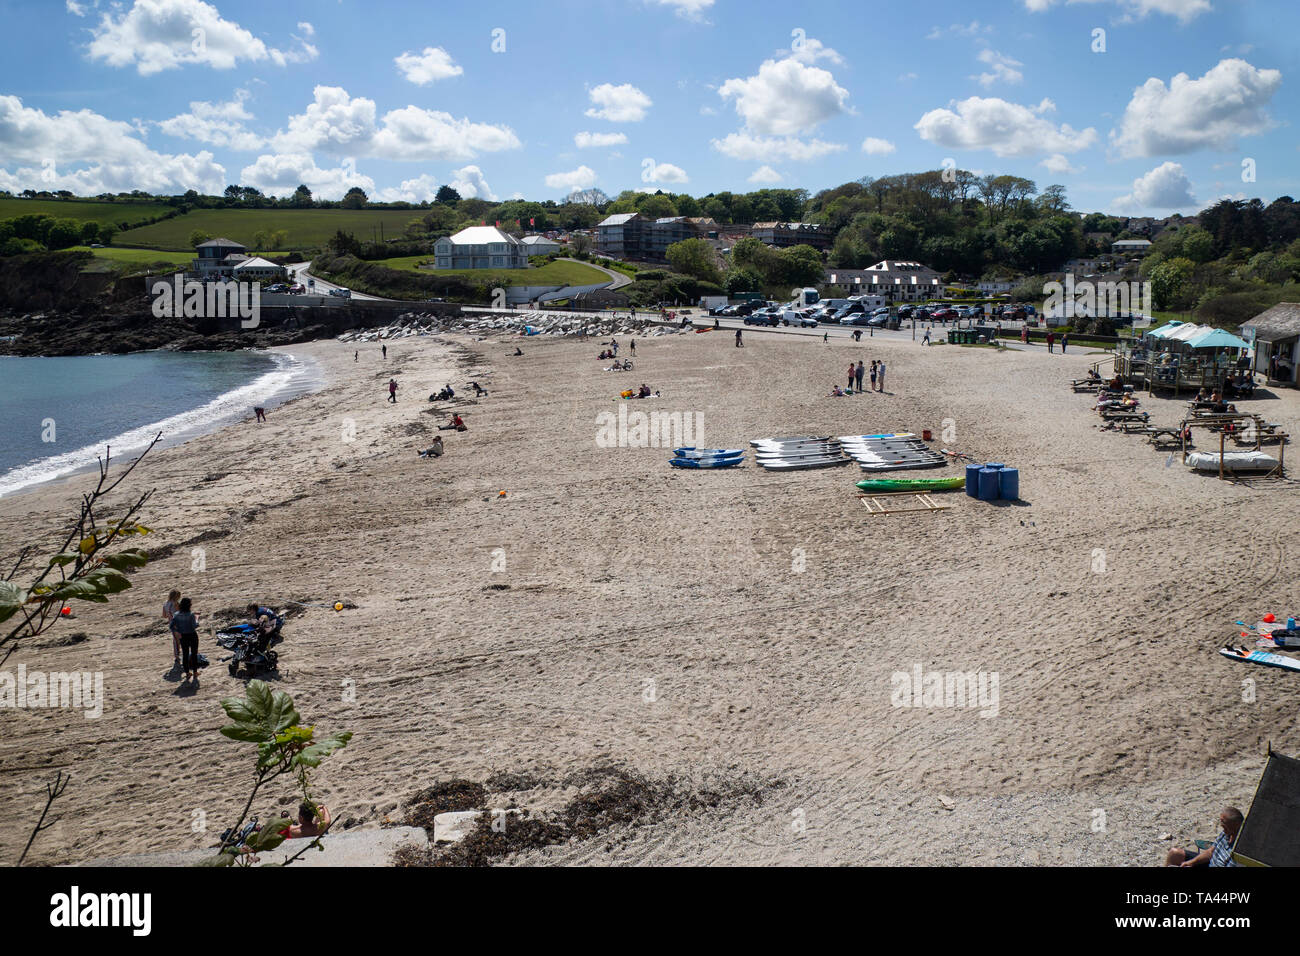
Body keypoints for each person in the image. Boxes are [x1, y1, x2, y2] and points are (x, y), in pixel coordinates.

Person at [1165, 808, 1243, 867]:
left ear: (1236, 825)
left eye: (1225, 823)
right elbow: (1210, 852)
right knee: (1174, 854)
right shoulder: (1226, 832)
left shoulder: (1241, 847)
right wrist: (1191, 862)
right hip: (1210, 863)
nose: (1221, 825)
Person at [172, 597, 200, 681]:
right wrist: (197, 618)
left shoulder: (176, 614)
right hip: (192, 635)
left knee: (185, 654)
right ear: (189, 605)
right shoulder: (191, 614)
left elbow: (171, 626)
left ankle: (187, 673)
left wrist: (178, 632)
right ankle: (195, 672)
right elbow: (195, 626)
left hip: (183, 636)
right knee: (194, 654)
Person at [163, 589, 182, 669]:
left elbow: (164, 615)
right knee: (181, 639)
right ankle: (180, 655)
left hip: (171, 623)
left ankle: (176, 655)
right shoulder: (176, 603)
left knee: (175, 640)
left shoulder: (165, 604)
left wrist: (169, 614)